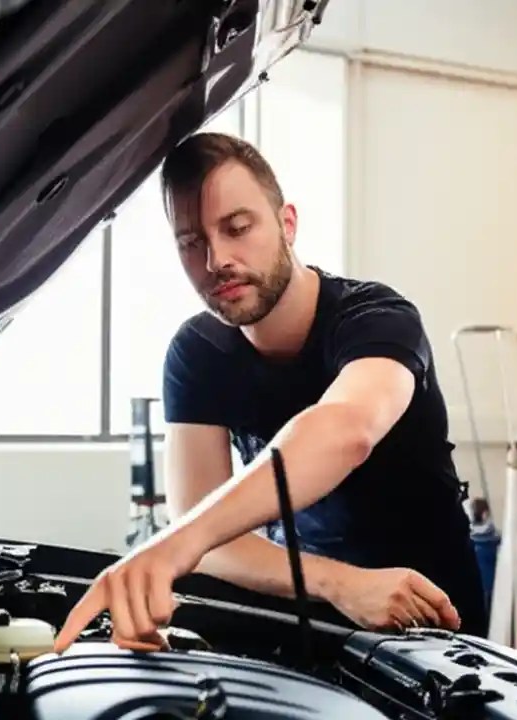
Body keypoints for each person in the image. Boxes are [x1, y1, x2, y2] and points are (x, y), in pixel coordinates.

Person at [55, 132, 487, 653]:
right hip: (306, 607)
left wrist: (176, 545)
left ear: (287, 224)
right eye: (192, 243)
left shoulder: (377, 318)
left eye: (238, 228)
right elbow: (209, 537)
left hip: (429, 613)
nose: (217, 259)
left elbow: (346, 429)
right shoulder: (198, 352)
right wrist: (336, 582)